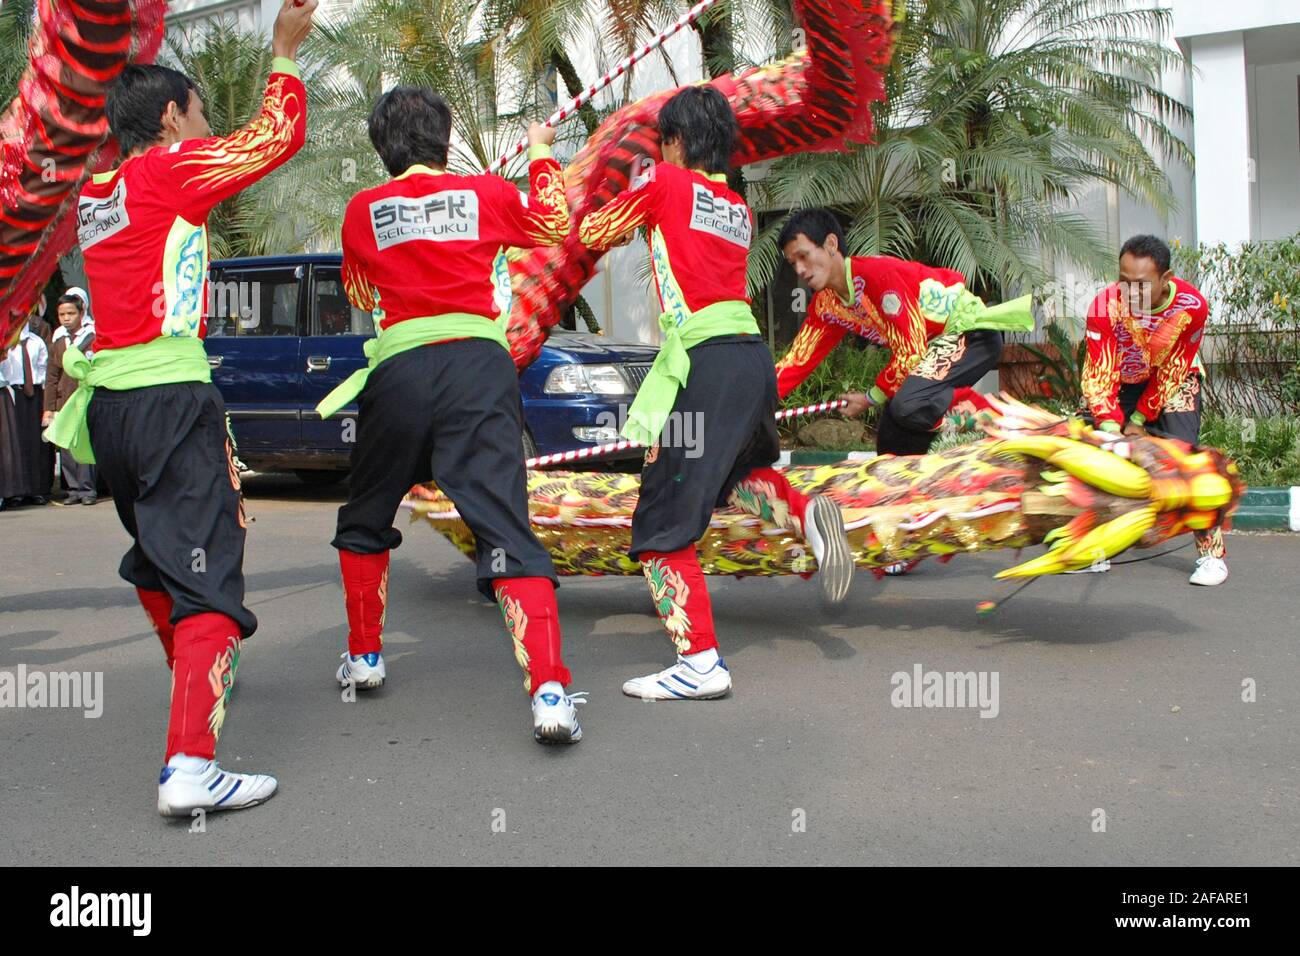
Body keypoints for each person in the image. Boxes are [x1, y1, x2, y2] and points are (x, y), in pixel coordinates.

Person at [46, 0, 315, 816]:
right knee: (208, 577)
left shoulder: (97, 196)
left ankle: (195, 690)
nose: (205, 128)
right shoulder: (169, 169)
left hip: (116, 413)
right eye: (198, 113)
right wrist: (283, 50)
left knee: (164, 559)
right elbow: (276, 138)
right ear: (170, 117)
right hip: (169, 400)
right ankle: (190, 766)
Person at [318, 86, 588, 743]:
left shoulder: (363, 209)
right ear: (443, 139)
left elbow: (359, 288)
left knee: (365, 514)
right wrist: (542, 154)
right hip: (477, 366)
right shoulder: (486, 195)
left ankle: (365, 658)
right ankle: (550, 693)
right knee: (504, 526)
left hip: (400, 370)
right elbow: (555, 225)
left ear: (383, 148)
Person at [577, 86, 854, 701]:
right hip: (749, 359)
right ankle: (809, 516)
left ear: (674, 142)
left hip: (702, 366)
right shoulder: (735, 205)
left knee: (660, 518)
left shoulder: (665, 185)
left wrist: (558, 169)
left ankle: (699, 662)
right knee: (735, 474)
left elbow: (593, 229)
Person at [1080, 234, 1227, 587]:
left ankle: (1211, 555)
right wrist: (1112, 427)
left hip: (1174, 379)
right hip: (1122, 381)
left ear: (1166, 278)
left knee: (1182, 459)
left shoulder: (1192, 306)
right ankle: (1098, 547)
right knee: (1092, 450)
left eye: (1142, 285)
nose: (1131, 294)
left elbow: (1175, 366)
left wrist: (1140, 419)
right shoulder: (1104, 307)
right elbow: (1099, 376)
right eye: (1123, 282)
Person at [43, 293, 98, 504]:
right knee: (65, 444)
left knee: (84, 442)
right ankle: (73, 488)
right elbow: (52, 376)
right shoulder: (59, 342)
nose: (66, 318)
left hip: (86, 397)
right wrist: (49, 407)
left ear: (81, 313)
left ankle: (88, 489)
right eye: (62, 314)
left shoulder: (93, 337)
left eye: (71, 313)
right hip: (64, 400)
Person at [1, 307, 51, 506]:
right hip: (14, 392)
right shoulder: (6, 343)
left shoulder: (36, 341)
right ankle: (17, 491)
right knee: (16, 443)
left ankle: (36, 488)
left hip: (34, 394)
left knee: (35, 442)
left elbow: (43, 368)